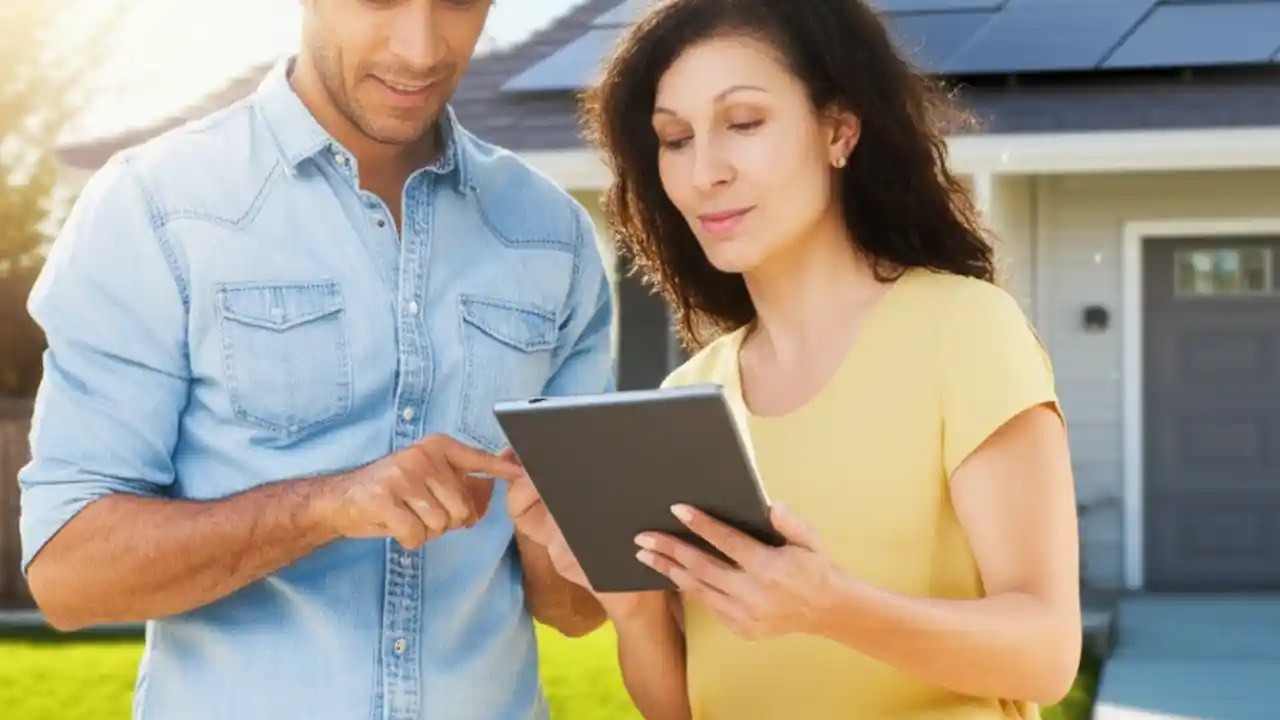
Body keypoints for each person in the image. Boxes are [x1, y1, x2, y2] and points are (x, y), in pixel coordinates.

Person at [18, 1, 613, 718]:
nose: (422, 48)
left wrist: (568, 532)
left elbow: (578, 609)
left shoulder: (553, 235)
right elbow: (70, 574)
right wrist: (327, 506)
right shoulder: (158, 206)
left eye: (458, 2)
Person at [509, 1, 1082, 718]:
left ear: (838, 130)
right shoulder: (690, 394)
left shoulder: (963, 330)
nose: (704, 172)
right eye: (675, 138)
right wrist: (633, 611)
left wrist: (831, 606)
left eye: (743, 123)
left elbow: (1047, 653)